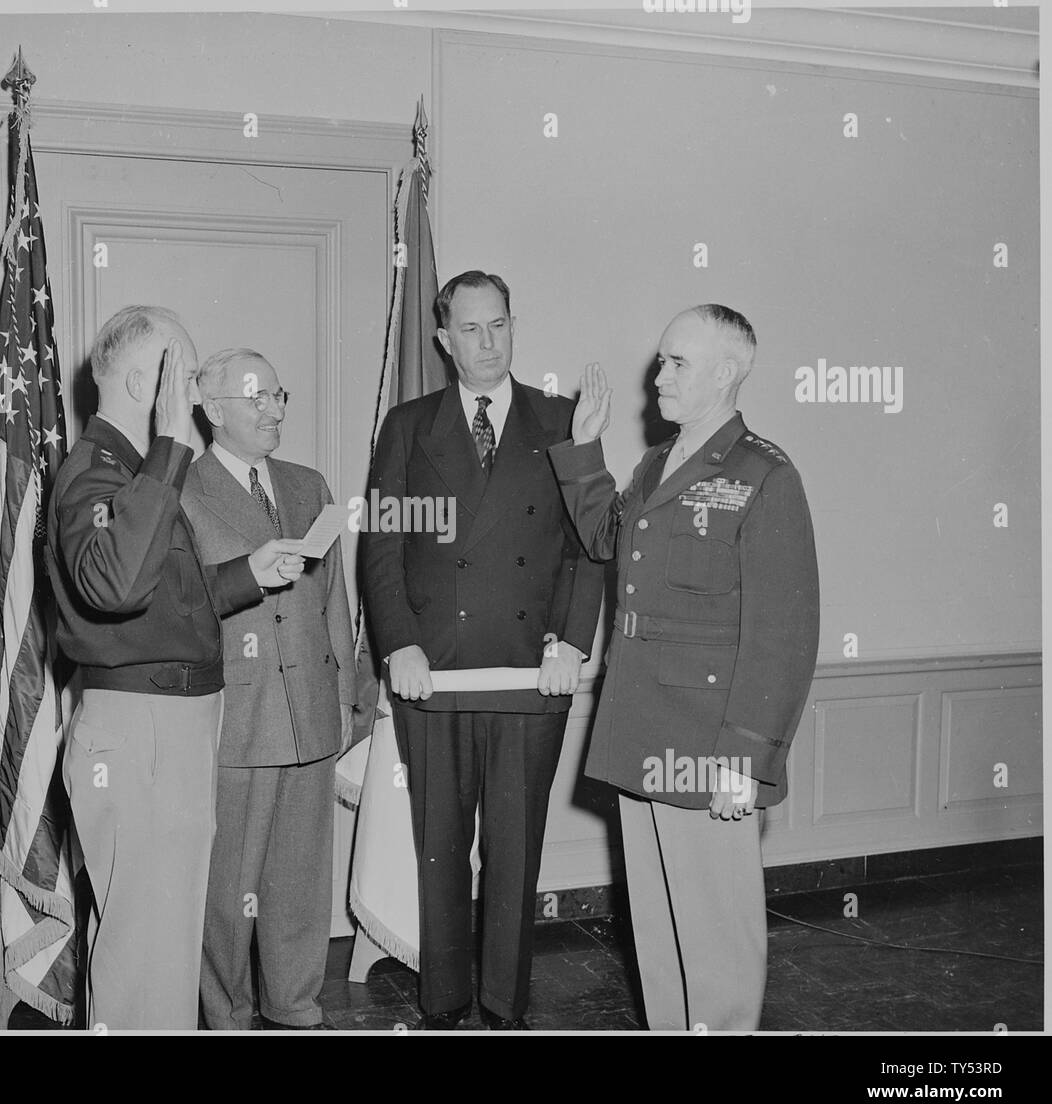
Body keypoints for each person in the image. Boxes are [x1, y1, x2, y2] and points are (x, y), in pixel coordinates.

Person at [548, 304, 820, 1030]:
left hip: (707, 743)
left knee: (716, 938)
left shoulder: (765, 475)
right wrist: (583, 451)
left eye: (677, 363)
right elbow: (608, 537)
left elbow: (782, 636)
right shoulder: (656, 462)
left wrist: (745, 758)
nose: (657, 374)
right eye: (661, 359)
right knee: (660, 932)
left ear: (727, 373)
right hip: (641, 729)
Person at [46, 306, 305, 1030]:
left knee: (153, 949)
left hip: (170, 729)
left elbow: (158, 610)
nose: (193, 395)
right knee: (148, 959)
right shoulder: (95, 474)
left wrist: (247, 574)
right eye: (183, 375)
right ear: (142, 379)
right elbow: (115, 585)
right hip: (144, 734)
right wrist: (168, 449)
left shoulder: (130, 472)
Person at [362, 270, 604, 1030]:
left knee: (514, 850)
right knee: (440, 851)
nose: (488, 342)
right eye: (470, 329)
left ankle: (503, 1007)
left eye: (499, 324)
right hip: (433, 674)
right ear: (443, 339)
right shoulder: (408, 426)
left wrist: (572, 638)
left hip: (531, 671)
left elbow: (587, 549)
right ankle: (443, 1004)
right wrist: (398, 642)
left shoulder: (562, 419)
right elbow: (382, 546)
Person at [183, 348, 355, 1030]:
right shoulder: (181, 492)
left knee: (300, 886)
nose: (273, 408)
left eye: (279, 395)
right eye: (255, 397)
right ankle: (225, 1016)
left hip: (310, 713)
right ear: (211, 408)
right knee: (228, 892)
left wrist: (344, 702)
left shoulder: (308, 484)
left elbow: (332, 604)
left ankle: (296, 1008)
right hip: (237, 720)